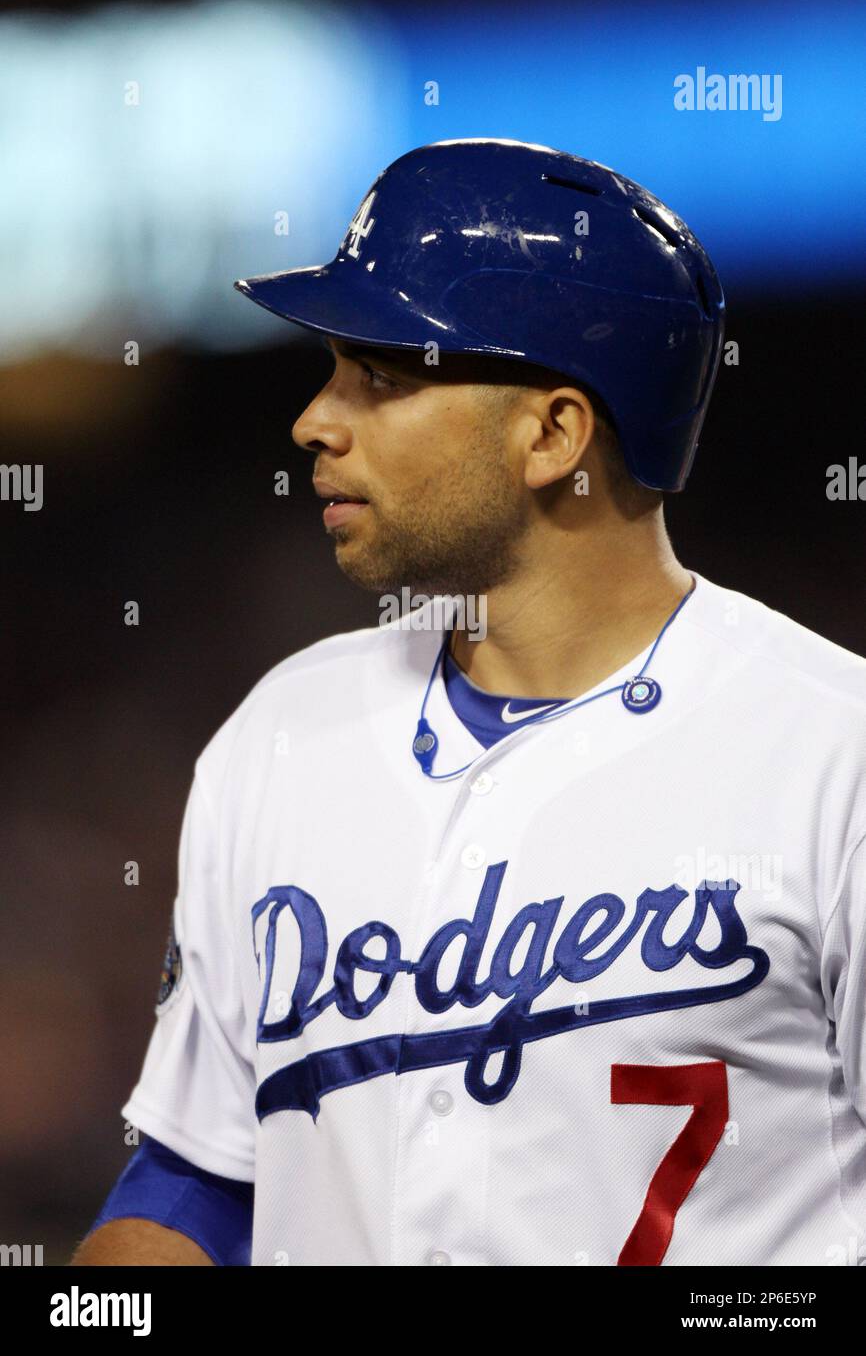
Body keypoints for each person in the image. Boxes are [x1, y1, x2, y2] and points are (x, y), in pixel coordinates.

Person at [72, 139, 866, 1267]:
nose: (314, 421)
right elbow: (204, 1178)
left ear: (552, 434)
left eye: (380, 376)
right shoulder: (282, 734)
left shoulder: (832, 753)